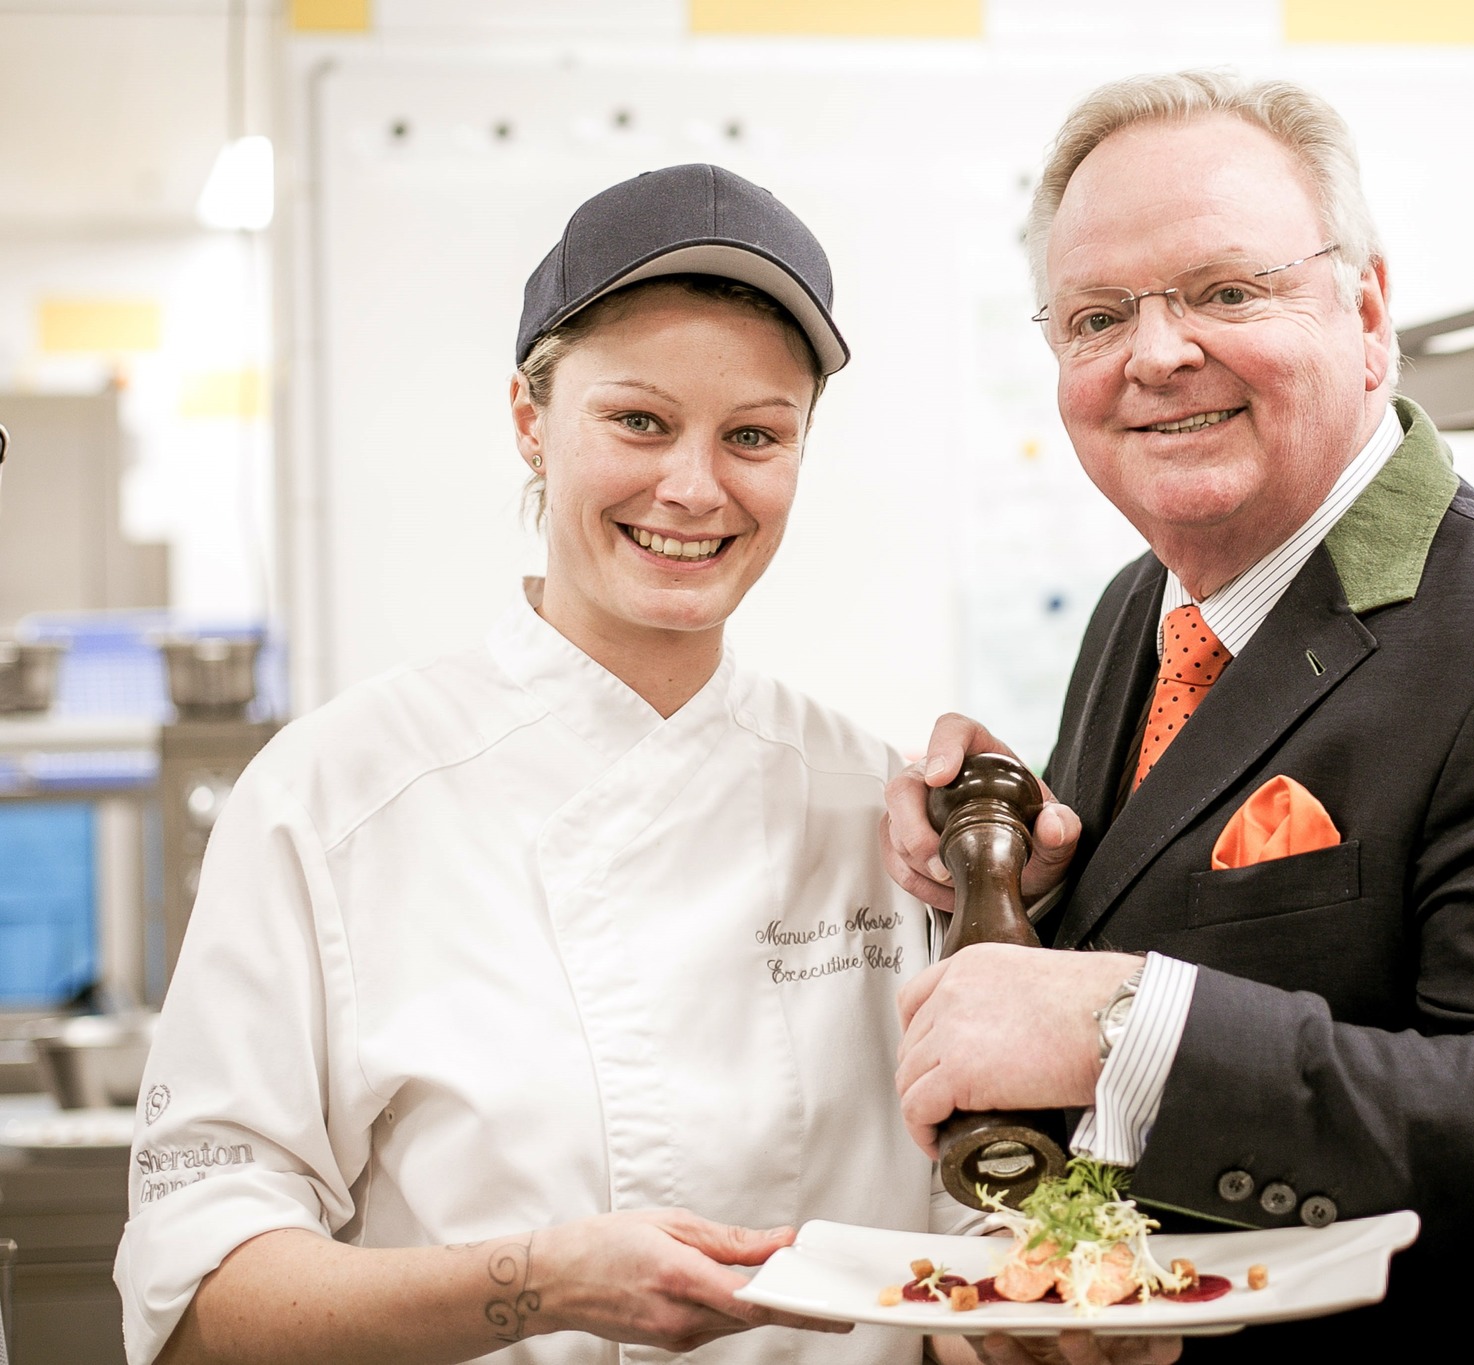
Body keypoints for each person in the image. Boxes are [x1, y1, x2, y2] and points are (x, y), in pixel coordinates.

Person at [884, 72, 1474, 1362]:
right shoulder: (1145, 609)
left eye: (1226, 291)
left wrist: (1115, 1024)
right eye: (1096, 316)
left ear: (1368, 314)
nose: (1156, 354)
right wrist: (1025, 876)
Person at [115, 164, 943, 1365]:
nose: (694, 488)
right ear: (530, 422)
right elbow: (199, 1308)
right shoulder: (334, 797)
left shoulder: (876, 804)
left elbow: (972, 1253)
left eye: (754, 436)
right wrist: (538, 1282)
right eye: (639, 420)